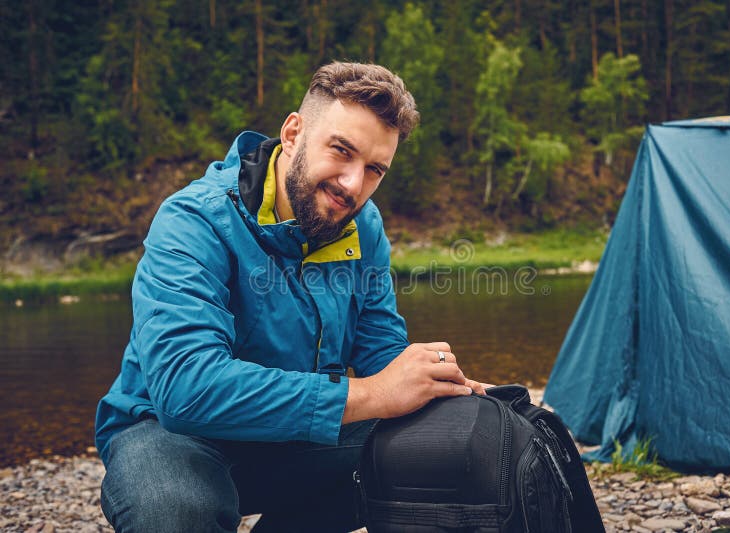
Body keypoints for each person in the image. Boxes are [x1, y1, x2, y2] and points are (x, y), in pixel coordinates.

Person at [95, 61, 486, 532]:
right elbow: (186, 388)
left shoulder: (363, 224)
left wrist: (444, 392)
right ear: (293, 132)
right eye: (341, 150)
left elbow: (379, 349)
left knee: (439, 447)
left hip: (294, 433)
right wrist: (371, 394)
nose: (352, 184)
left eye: (374, 169)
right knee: (178, 510)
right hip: (168, 432)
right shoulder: (192, 220)